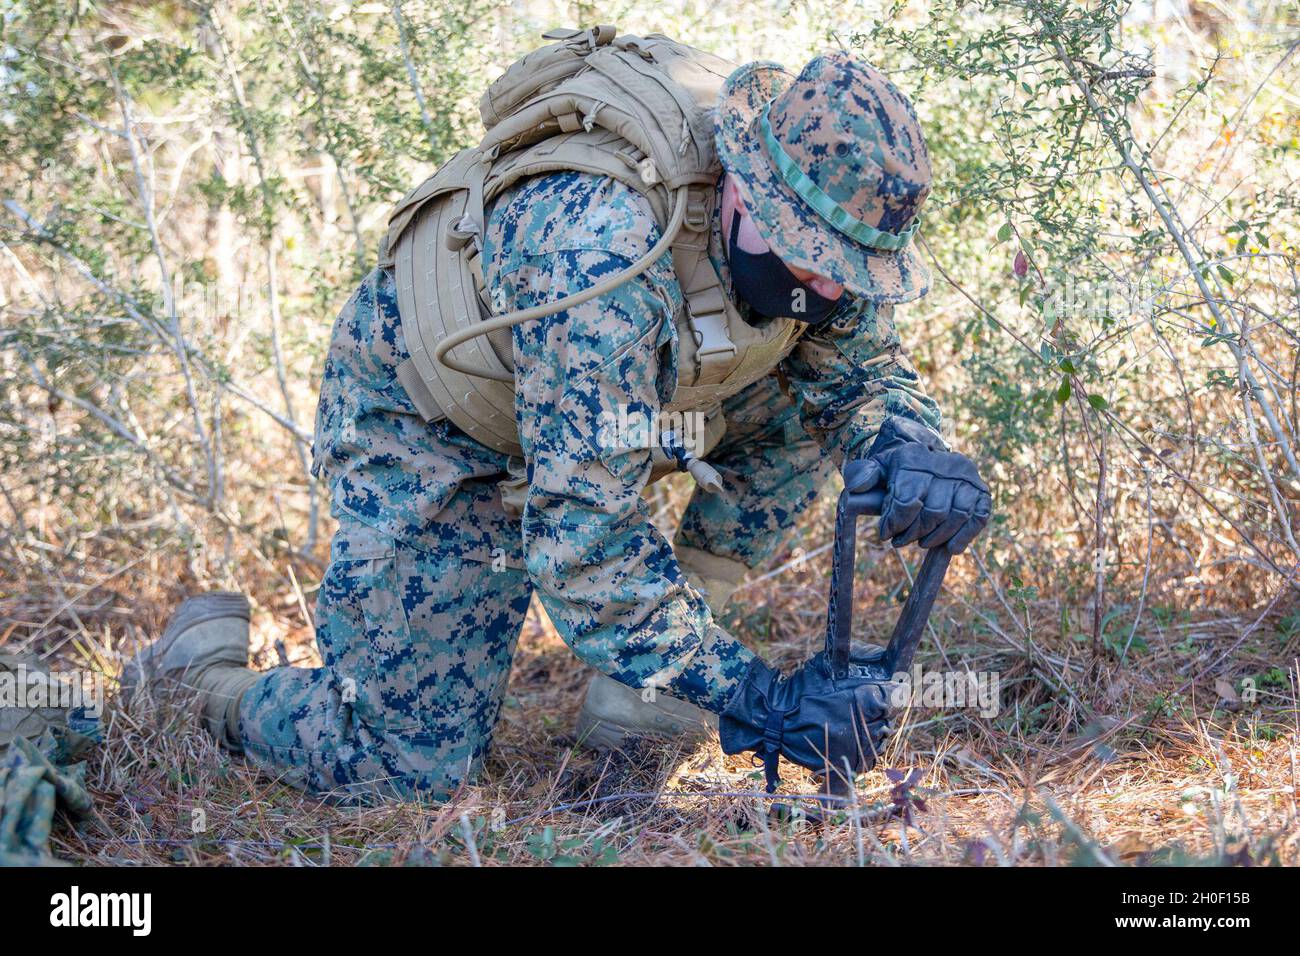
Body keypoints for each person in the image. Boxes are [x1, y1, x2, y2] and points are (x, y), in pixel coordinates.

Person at [123, 34, 991, 801]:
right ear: (742, 191)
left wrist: (910, 450)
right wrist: (756, 699)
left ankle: (643, 692)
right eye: (811, 255)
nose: (829, 287)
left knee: (807, 408)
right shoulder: (602, 259)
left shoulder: (826, 232)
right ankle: (203, 681)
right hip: (437, 420)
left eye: (852, 266)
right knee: (400, 764)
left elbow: (857, 371)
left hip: (613, 402)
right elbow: (582, 544)